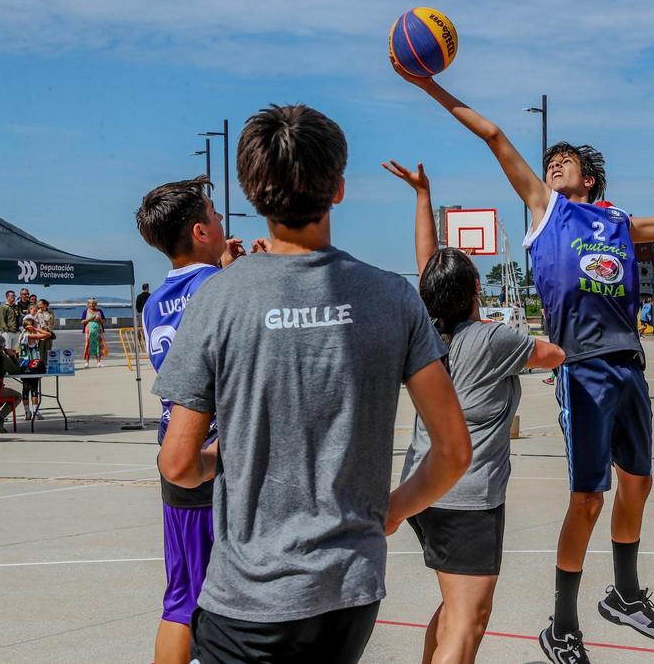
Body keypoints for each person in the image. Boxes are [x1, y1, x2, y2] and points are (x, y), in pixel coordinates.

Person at [395, 61, 654, 661]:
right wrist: (428, 85)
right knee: (588, 499)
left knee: (641, 483)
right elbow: (497, 136)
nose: (554, 164)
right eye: (551, 161)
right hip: (583, 370)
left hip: (629, 364)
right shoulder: (546, 210)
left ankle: (624, 595)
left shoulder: (620, 223)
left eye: (566, 161)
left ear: (591, 177)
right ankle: (563, 624)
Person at [154, 104, 472, 662]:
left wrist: (225, 455)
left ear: (252, 195)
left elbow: (177, 463)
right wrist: (394, 509)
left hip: (249, 595)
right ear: (340, 189)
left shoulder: (218, 299)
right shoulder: (391, 297)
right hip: (349, 590)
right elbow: (452, 451)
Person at [385, 159, 566, 663]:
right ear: (475, 293)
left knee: (453, 608)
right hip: (468, 498)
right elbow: (553, 355)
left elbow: (428, 268)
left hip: (422, 488)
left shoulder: (425, 329)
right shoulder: (494, 339)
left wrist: (423, 196)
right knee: (470, 620)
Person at [135, 173, 255, 664]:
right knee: (242, 600)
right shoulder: (228, 287)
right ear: (201, 232)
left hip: (176, 451)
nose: (223, 220)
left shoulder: (152, 305)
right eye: (216, 214)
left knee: (182, 598)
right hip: (223, 455)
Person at [80, 298, 107, 368]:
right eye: (90, 303)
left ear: (96, 304)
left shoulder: (99, 311)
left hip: (98, 330)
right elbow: (82, 321)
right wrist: (90, 319)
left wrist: (100, 319)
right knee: (88, 345)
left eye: (93, 303)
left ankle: (98, 362)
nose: (92, 305)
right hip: (88, 331)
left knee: (99, 346)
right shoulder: (85, 311)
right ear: (88, 304)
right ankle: (87, 362)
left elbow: (104, 321)